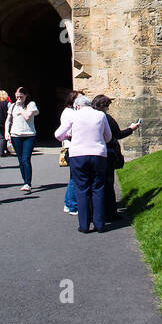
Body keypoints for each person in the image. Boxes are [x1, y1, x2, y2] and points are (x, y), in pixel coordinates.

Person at [54, 95, 112, 233]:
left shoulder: (73, 116)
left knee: (82, 189)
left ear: (78, 106)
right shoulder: (100, 115)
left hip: (78, 155)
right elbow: (108, 137)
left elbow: (58, 134)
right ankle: (99, 224)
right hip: (98, 154)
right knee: (98, 188)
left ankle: (84, 225)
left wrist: (70, 135)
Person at [96, 94, 140, 220]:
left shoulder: (88, 117)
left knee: (96, 184)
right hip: (107, 153)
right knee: (108, 184)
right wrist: (132, 128)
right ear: (104, 106)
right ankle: (110, 213)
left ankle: (96, 211)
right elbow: (117, 134)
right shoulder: (106, 118)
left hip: (92, 154)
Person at [4, 86, 39, 192]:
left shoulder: (31, 104)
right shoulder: (12, 106)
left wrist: (20, 107)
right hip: (16, 135)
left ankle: (28, 183)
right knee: (20, 160)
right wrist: (7, 132)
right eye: (17, 95)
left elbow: (28, 117)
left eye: (21, 96)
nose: (19, 98)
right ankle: (25, 181)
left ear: (25, 96)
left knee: (26, 159)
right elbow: (8, 120)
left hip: (29, 135)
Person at [59, 92, 84, 216]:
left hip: (73, 146)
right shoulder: (70, 113)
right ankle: (72, 205)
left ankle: (69, 203)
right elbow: (66, 131)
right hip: (72, 147)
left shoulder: (70, 112)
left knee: (73, 177)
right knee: (75, 178)